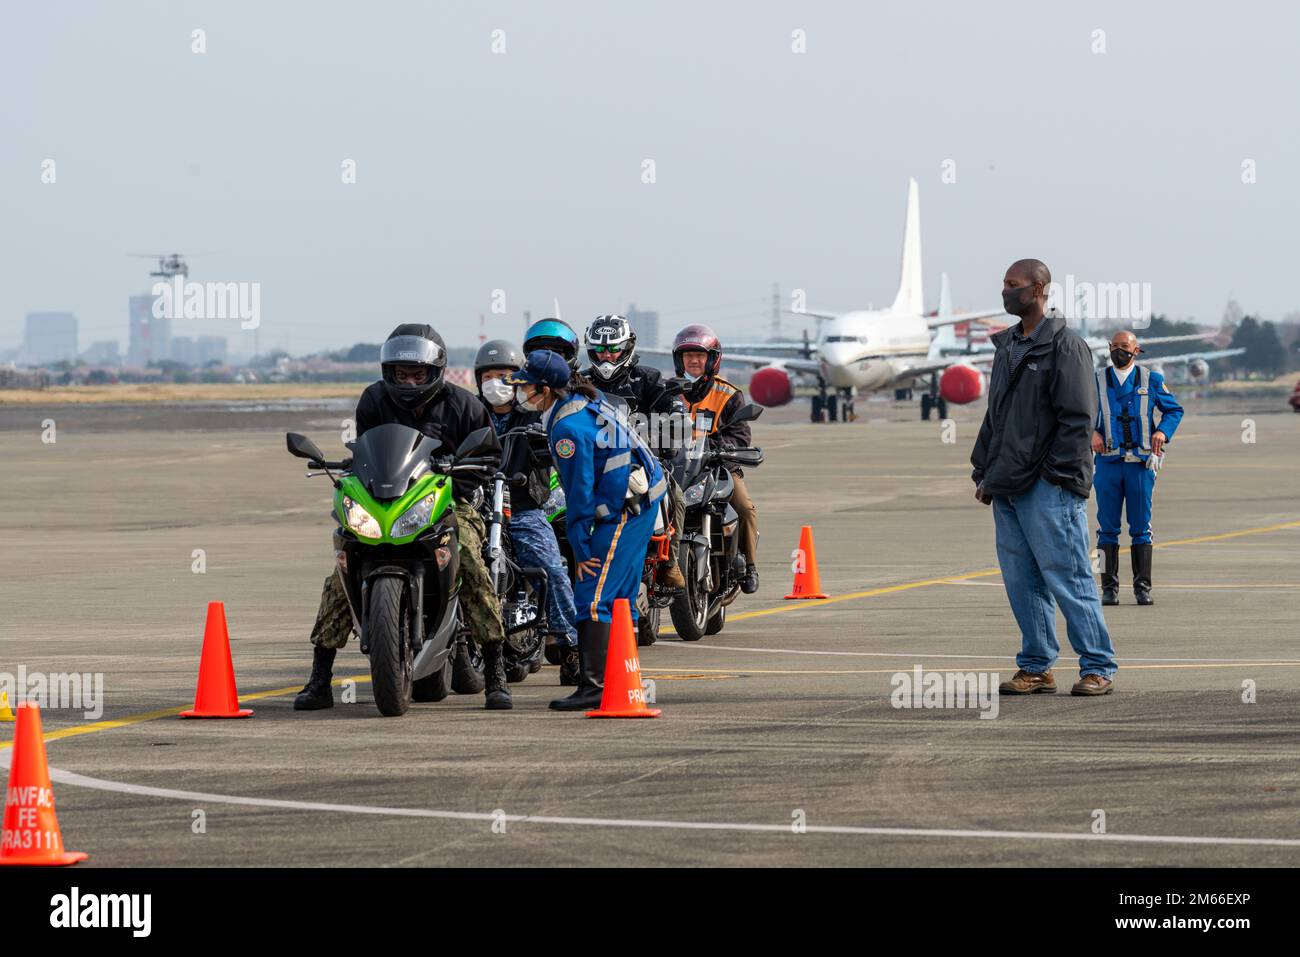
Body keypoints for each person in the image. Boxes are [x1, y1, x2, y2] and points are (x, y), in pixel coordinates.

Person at [294, 324, 513, 712]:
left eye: (417, 374)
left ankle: (496, 672)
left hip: (447, 502)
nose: (409, 381)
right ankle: (320, 678)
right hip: (388, 504)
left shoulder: (464, 405)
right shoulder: (373, 400)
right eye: (401, 374)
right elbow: (367, 453)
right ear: (388, 372)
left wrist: (459, 472)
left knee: (472, 563)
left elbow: (490, 457)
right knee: (340, 573)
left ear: (435, 371)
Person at [970, 260, 1118, 697]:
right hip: (1007, 486)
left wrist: (1057, 478)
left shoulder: (1066, 347)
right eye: (1003, 285)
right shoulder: (1008, 347)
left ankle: (1097, 665)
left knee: (1068, 576)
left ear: (1038, 290)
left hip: (1049, 488)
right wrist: (984, 471)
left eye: (1012, 286)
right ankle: (1036, 666)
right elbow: (995, 417)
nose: (1004, 292)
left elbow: (1078, 421)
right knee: (1022, 581)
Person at [504, 350, 667, 711]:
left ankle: (593, 687)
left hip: (627, 506)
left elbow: (579, 491)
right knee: (621, 597)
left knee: (592, 598)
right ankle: (620, 681)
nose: (519, 392)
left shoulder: (566, 429)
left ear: (544, 389)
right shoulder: (579, 402)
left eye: (524, 385)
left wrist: (581, 548)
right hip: (642, 498)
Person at [474, 339, 581, 685]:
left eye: (504, 375)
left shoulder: (537, 413)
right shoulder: (468, 413)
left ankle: (572, 648)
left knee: (550, 566)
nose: (495, 382)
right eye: (488, 375)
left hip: (521, 507)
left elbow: (562, 446)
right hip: (475, 508)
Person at [580, 315, 688, 589]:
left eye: (613, 349)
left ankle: (670, 562)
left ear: (627, 347)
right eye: (600, 350)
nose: (606, 356)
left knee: (676, 495)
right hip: (590, 462)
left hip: (642, 459)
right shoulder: (579, 382)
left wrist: (675, 415)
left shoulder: (647, 378)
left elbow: (670, 400)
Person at [1092, 331, 1184, 605]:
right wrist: (1090, 433)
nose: (1120, 351)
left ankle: (1142, 587)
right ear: (1109, 348)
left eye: (1125, 347)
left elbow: (1174, 410)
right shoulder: (1095, 380)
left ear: (1137, 350)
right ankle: (1108, 588)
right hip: (1108, 464)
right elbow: (1077, 411)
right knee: (1106, 529)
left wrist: (1163, 434)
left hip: (1141, 467)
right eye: (1115, 346)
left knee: (1141, 528)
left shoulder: (1151, 380)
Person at [671, 324, 760, 594]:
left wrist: (720, 447)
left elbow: (740, 435)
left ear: (712, 359)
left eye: (700, 355)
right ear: (679, 360)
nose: (694, 361)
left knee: (744, 508)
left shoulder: (729, 394)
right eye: (688, 356)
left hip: (718, 466)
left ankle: (751, 566)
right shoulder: (666, 391)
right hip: (676, 466)